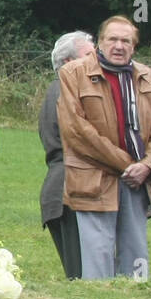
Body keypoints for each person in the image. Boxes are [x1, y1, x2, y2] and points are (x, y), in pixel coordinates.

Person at [57, 16, 151, 279]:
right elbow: (77, 131)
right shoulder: (74, 73)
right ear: (100, 42)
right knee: (97, 265)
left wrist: (148, 166)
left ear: (134, 46)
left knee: (136, 262)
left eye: (126, 41)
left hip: (136, 180)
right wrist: (128, 164)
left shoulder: (146, 76)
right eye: (113, 39)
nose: (119, 46)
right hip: (92, 180)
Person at [39, 31, 96, 279]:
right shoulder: (66, 91)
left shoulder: (62, 89)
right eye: (89, 56)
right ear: (67, 62)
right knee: (84, 280)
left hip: (64, 191)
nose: (96, 62)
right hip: (72, 191)